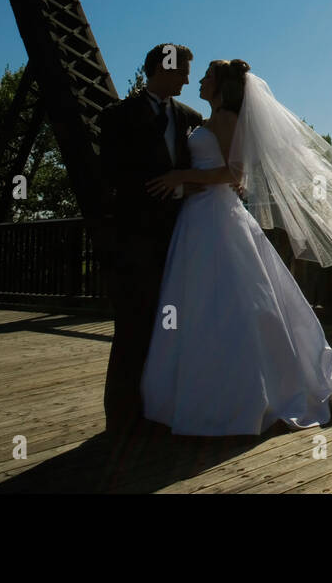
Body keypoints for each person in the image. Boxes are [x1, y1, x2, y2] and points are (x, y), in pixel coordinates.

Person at [138, 59, 332, 435]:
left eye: (206, 76)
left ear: (221, 86)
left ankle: (232, 393)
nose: (199, 81)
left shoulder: (225, 120)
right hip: (200, 215)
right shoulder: (209, 119)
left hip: (215, 217)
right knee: (206, 299)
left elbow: (234, 174)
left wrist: (180, 175)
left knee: (219, 299)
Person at [97, 43, 203, 438]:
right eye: (184, 71)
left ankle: (162, 409)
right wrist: (174, 192)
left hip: (184, 241)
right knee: (134, 327)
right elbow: (111, 179)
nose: (189, 79)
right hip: (136, 243)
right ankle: (122, 421)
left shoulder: (192, 118)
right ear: (165, 68)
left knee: (174, 329)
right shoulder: (117, 118)